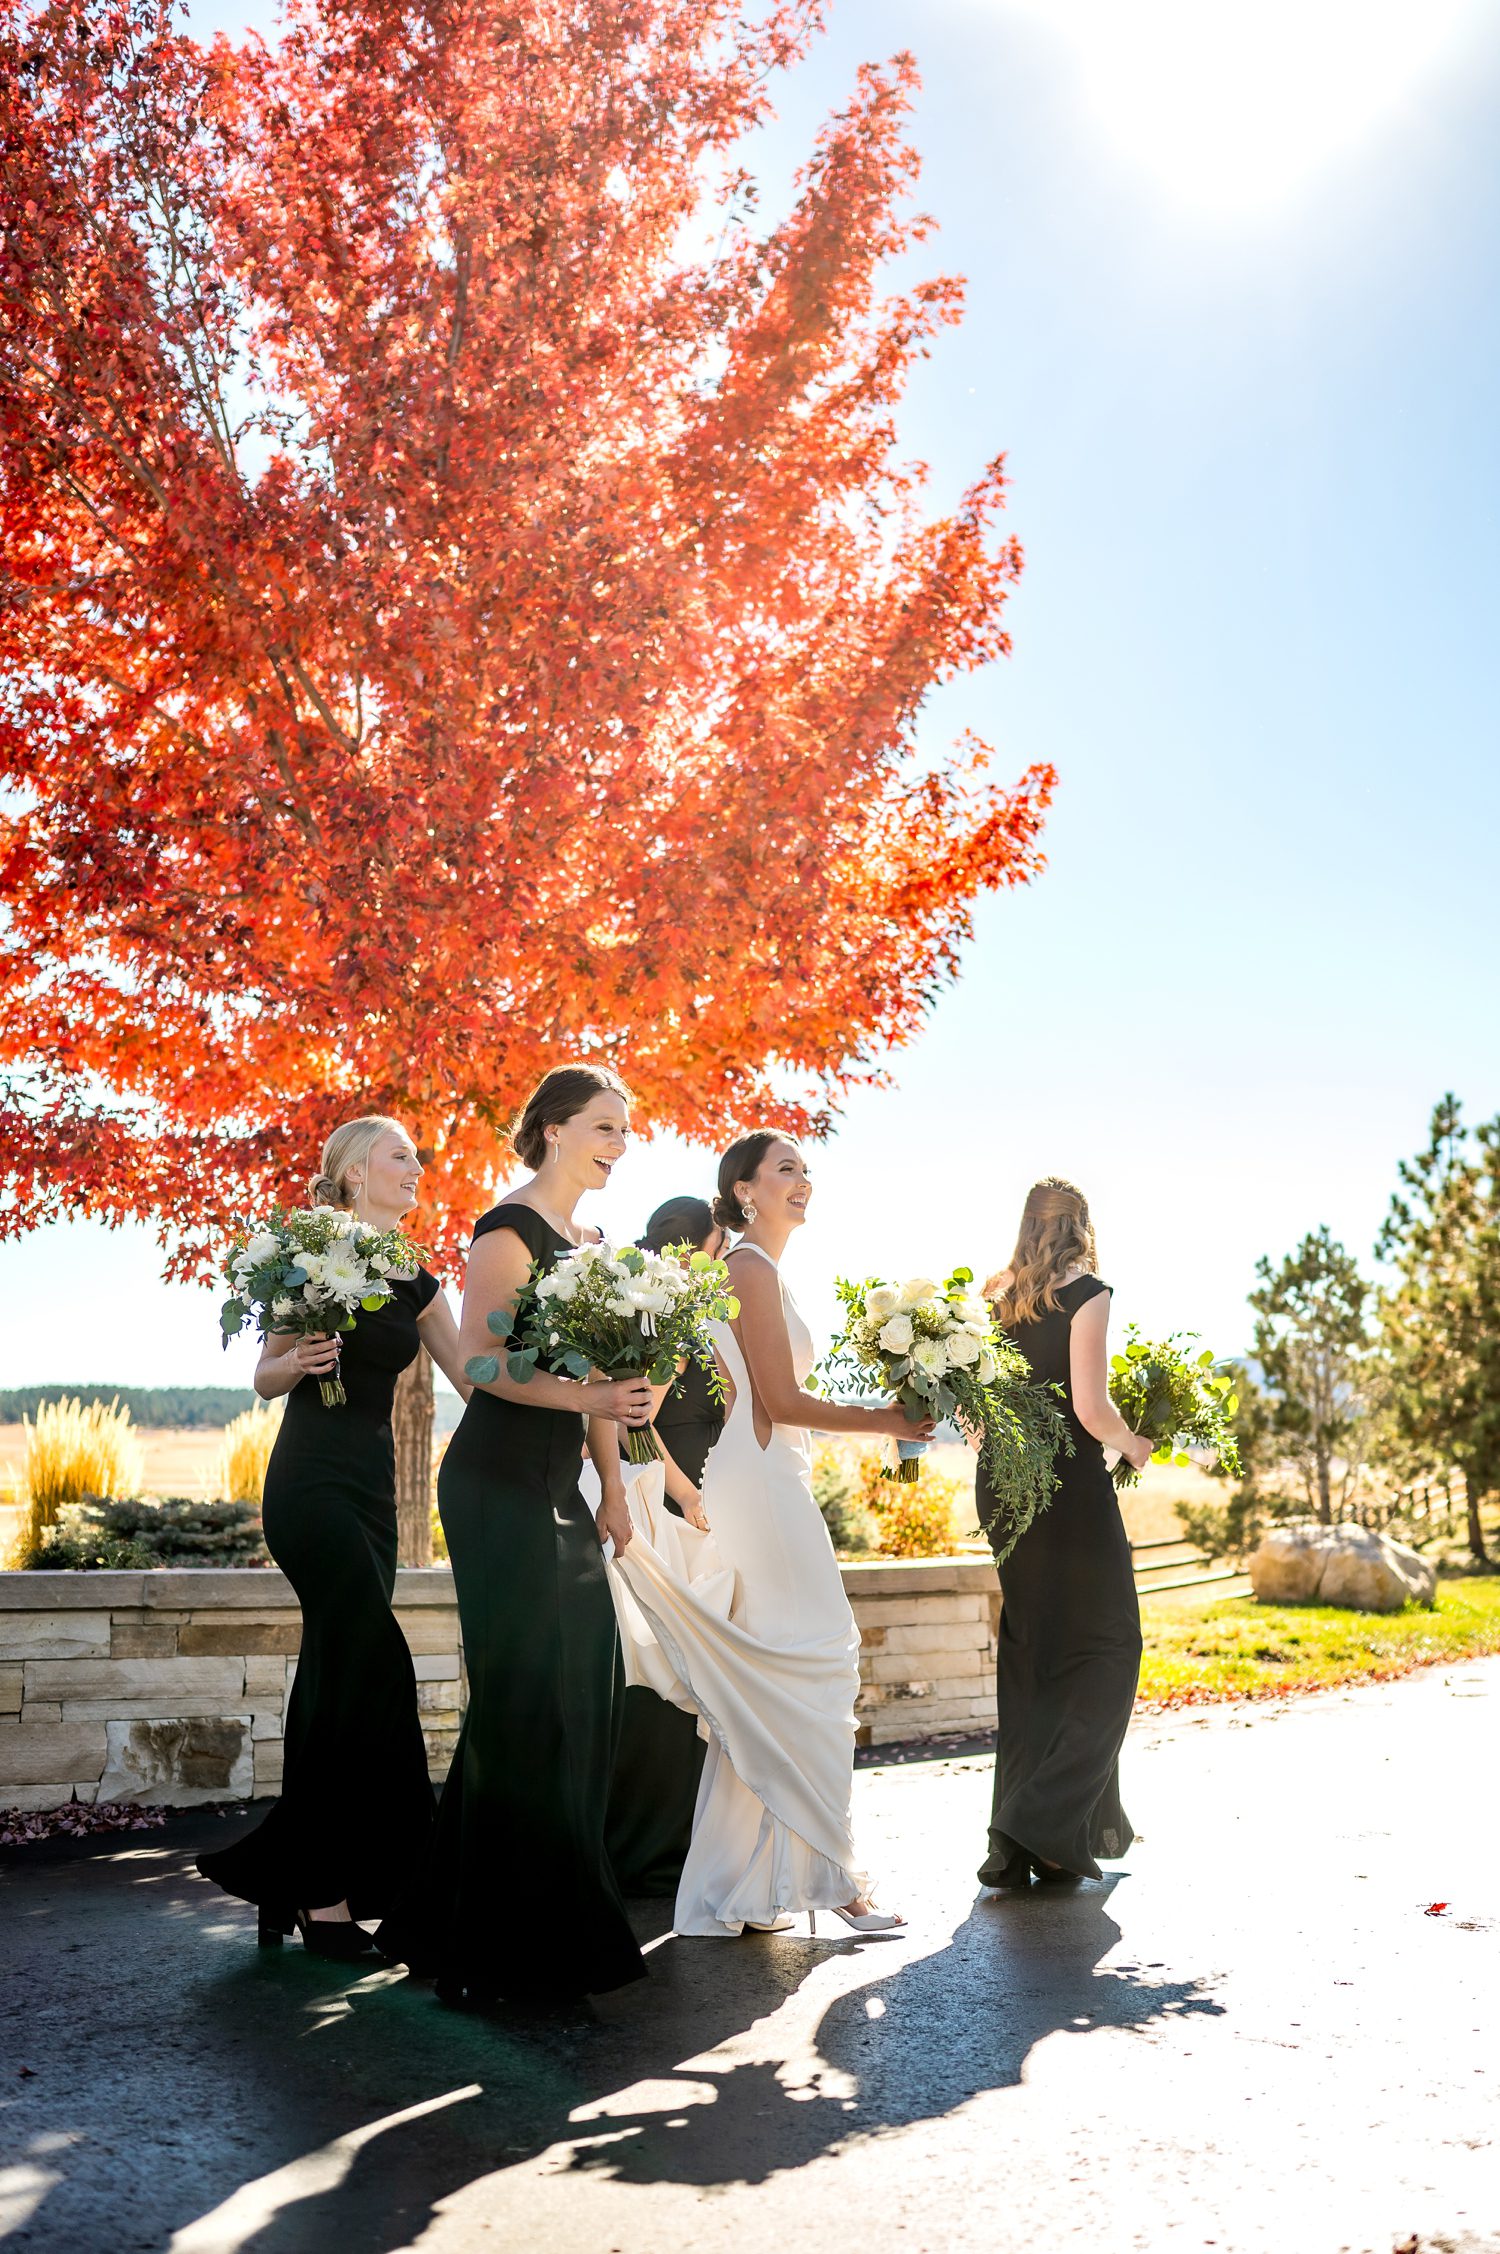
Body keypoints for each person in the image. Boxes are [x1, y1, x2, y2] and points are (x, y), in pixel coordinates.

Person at [379, 1064, 653, 2008]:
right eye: (605, 1126)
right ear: (552, 1130)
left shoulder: (593, 1243)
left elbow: (605, 1381)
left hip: (560, 1485)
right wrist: (591, 1394)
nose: (622, 1141)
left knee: (584, 1681)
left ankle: (493, 1916)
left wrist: (613, 1484)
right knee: (528, 1697)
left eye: (626, 1128)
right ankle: (503, 1941)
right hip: (495, 1483)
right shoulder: (508, 1231)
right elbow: (486, 1365)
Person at [611, 1131, 930, 1938]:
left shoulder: (760, 1271)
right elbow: (781, 1402)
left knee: (774, 1676)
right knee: (820, 1659)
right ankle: (836, 1880)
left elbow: (763, 1396)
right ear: (743, 1188)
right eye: (785, 1169)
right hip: (759, 1482)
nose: (803, 1182)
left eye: (806, 1170)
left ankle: (745, 1884)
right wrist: (888, 1418)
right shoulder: (747, 1268)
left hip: (761, 1475)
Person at [197, 1116, 469, 1957]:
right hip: (308, 1487)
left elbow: (473, 1375)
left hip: (375, 1495)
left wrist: (570, 1366)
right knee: (375, 1664)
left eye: (417, 1159)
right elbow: (263, 1375)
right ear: (353, 1172)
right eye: (399, 1156)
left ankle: (300, 1884)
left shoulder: (421, 1282)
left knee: (334, 1676)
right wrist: (301, 1359)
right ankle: (340, 1887)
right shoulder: (309, 1255)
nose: (415, 1168)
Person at [976, 1177, 1152, 1891]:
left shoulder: (1000, 1294)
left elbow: (981, 1408)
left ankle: (1026, 1842)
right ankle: (1043, 1825)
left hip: (1003, 1486)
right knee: (1111, 1647)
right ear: (1081, 1225)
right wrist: (1134, 1443)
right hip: (1064, 1487)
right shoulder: (1089, 1293)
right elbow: (1090, 1406)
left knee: (1034, 1655)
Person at [603, 1195, 725, 1895]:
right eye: (714, 1250)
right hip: (667, 1515)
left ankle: (679, 1842)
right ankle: (647, 1851)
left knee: (690, 1676)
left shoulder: (689, 1321)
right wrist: (688, 1496)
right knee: (667, 1677)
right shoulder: (660, 1321)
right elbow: (634, 1425)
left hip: (697, 1510)